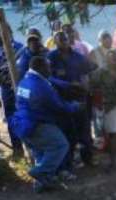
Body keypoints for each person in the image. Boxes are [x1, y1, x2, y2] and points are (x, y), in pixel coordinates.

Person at [10, 56, 76, 192]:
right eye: (48, 67)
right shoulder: (40, 86)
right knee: (60, 145)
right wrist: (75, 107)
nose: (50, 70)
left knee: (41, 152)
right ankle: (39, 172)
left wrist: (69, 85)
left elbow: (51, 81)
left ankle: (41, 185)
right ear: (40, 68)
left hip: (22, 124)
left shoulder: (26, 80)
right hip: (36, 124)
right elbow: (59, 106)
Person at [47, 31, 97, 175]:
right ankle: (69, 164)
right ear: (55, 42)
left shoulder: (78, 56)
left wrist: (85, 85)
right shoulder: (50, 57)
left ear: (69, 40)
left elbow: (88, 72)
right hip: (61, 101)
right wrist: (67, 85)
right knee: (67, 132)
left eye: (65, 39)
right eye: (60, 39)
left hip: (80, 97)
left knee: (85, 130)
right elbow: (47, 77)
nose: (63, 41)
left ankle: (88, 159)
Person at [0, 23, 25, 159]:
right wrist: (0, 80)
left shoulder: (19, 46)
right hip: (7, 89)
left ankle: (33, 148)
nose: (0, 33)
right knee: (12, 118)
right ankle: (18, 149)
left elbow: (26, 64)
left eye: (2, 30)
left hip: (22, 87)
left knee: (28, 114)